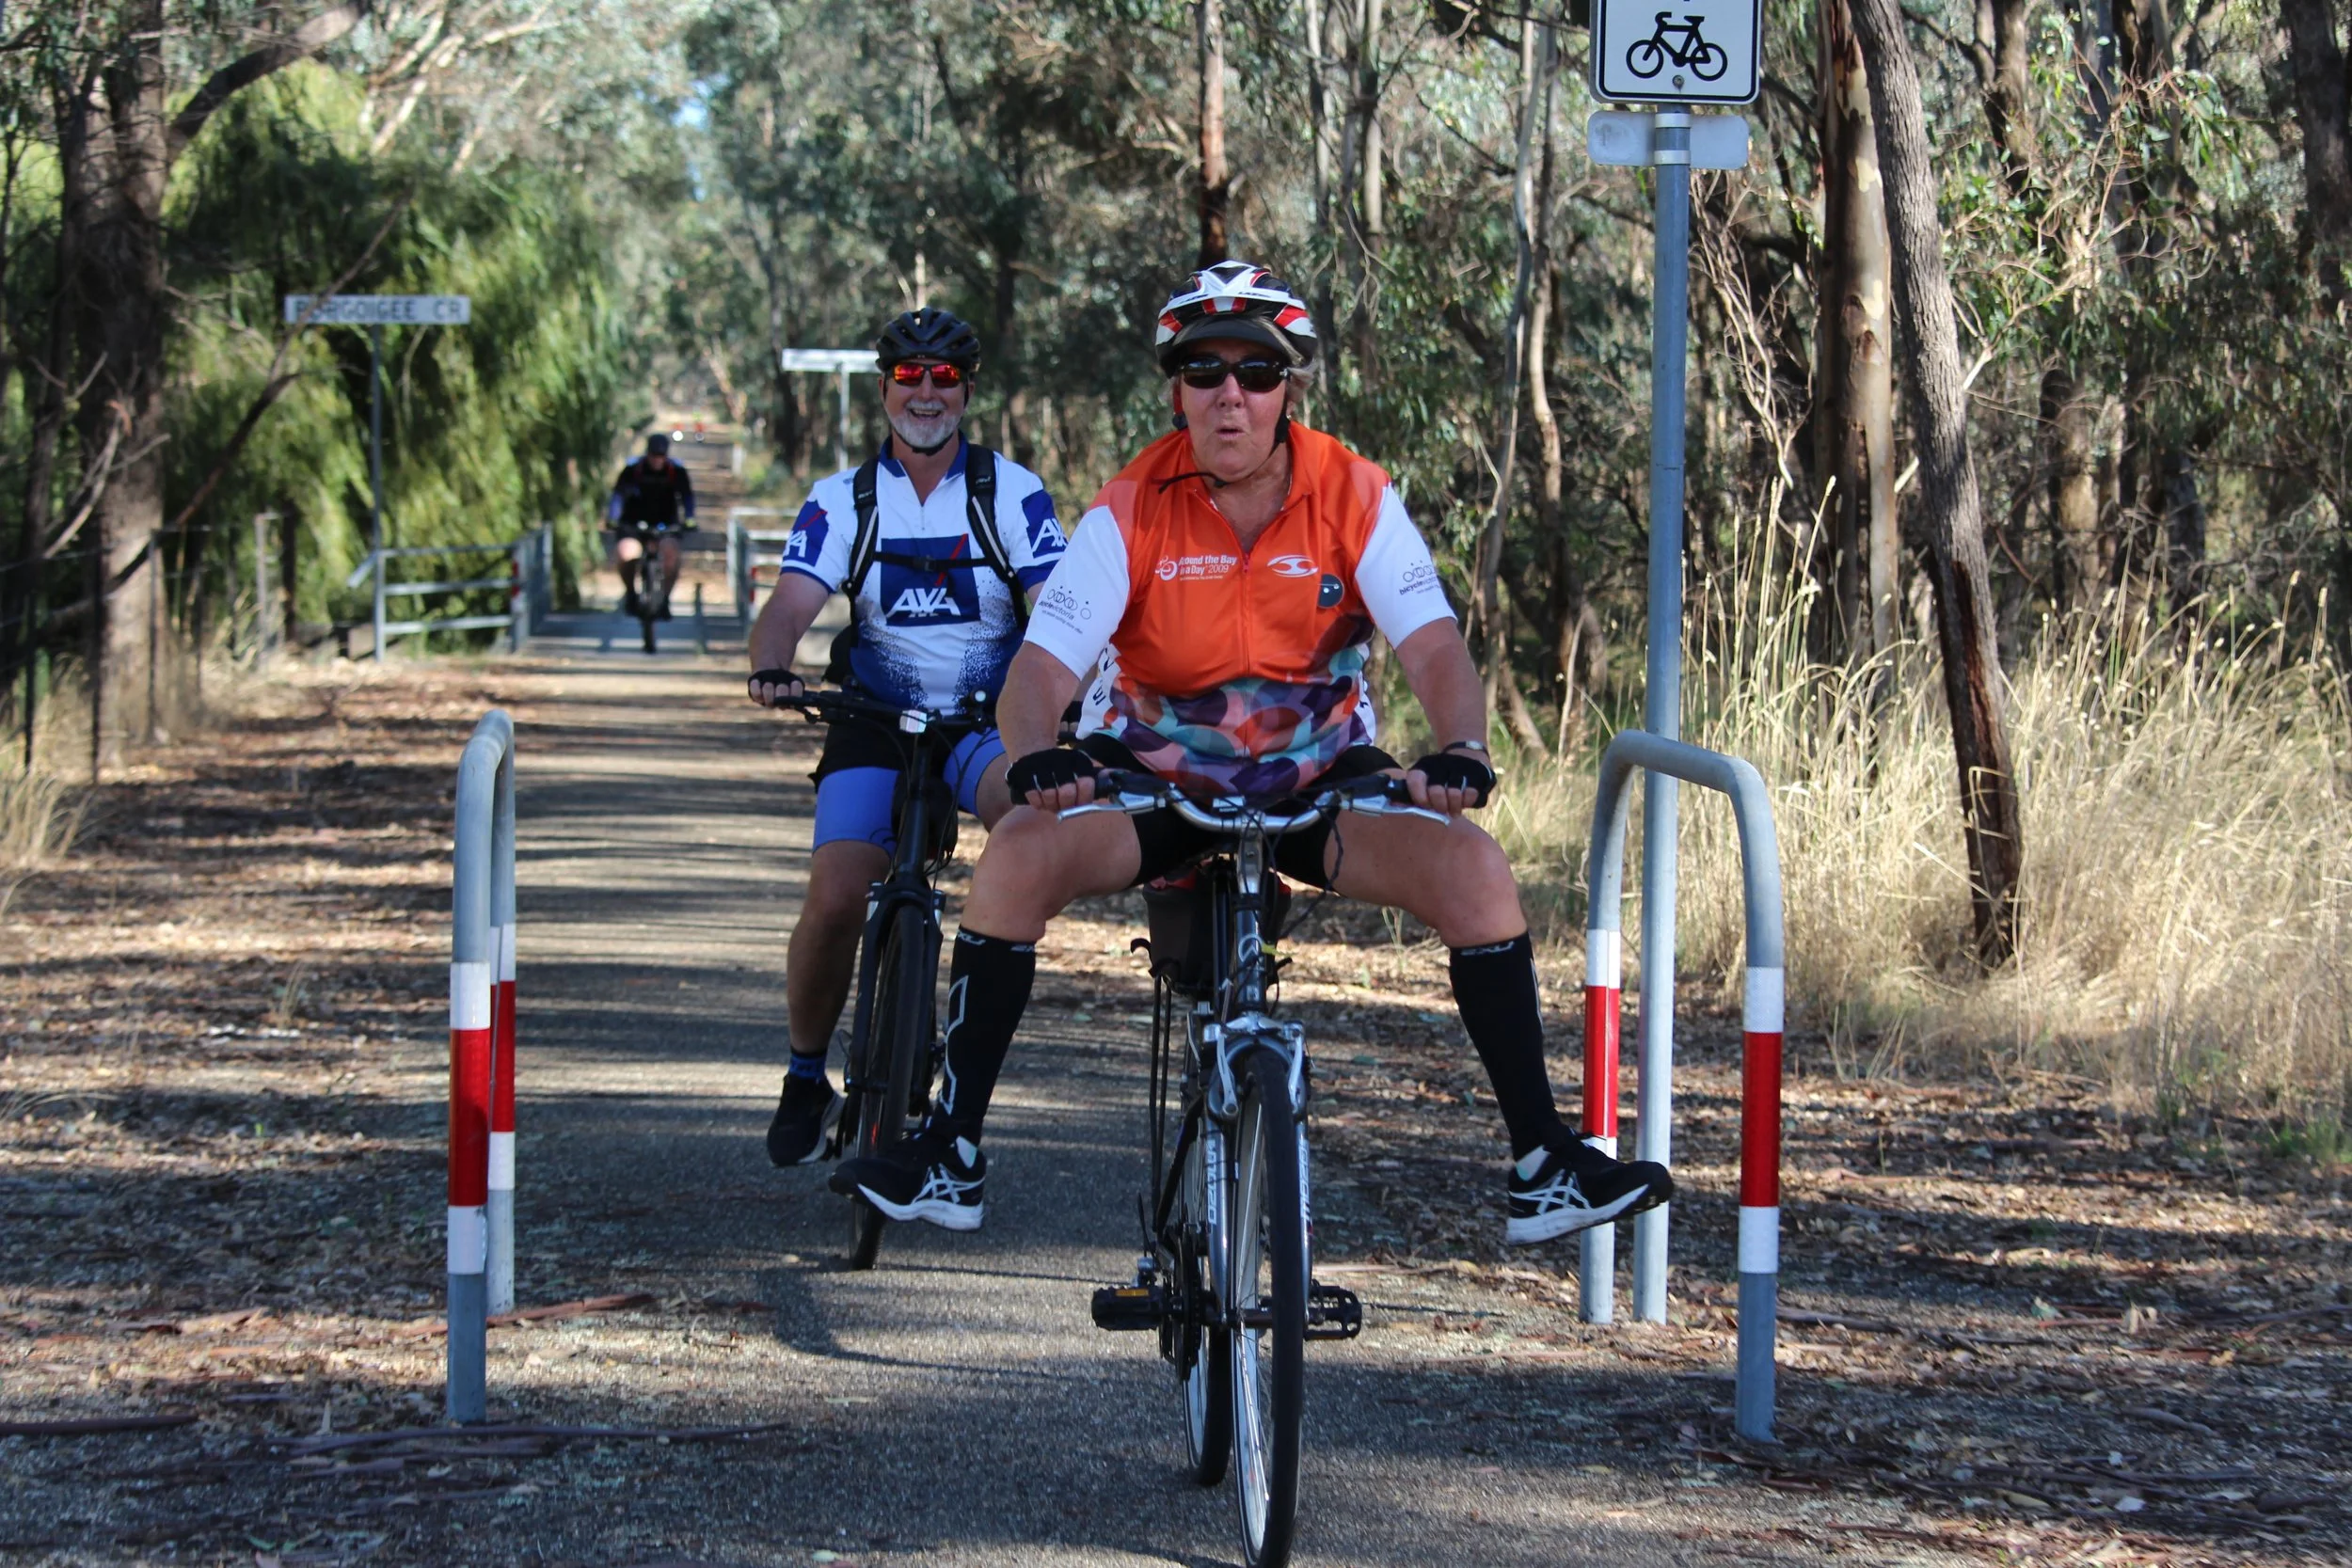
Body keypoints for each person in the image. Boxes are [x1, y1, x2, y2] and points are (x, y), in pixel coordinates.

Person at [831, 261, 1673, 1241]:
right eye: (1202, 368)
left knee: (1477, 871)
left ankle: (1542, 1164)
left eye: (1257, 371)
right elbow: (1040, 671)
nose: (1230, 392)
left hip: (1313, 775)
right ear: (1175, 387)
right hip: (1153, 774)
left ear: (1290, 387)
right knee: (1016, 851)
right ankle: (952, 1148)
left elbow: (1434, 643)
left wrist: (1461, 746)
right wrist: (1031, 757)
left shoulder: (1353, 492)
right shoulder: (1132, 504)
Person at [745, 307, 1067, 1166]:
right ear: (884, 387)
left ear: (967, 392)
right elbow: (788, 606)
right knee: (837, 893)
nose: (927, 394)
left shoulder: (1011, 493)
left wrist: (1076, 705)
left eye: (945, 379)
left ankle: (963, 1057)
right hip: (874, 722)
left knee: (1028, 828)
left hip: (980, 725)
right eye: (910, 377)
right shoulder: (844, 499)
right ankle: (805, 1073)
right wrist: (774, 666)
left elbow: (1062, 611)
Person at [609, 432, 696, 617]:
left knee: (671, 555)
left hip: (666, 525)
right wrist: (613, 517)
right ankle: (631, 594)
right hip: (633, 525)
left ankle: (665, 599)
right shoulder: (633, 470)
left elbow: (687, 496)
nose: (657, 460)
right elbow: (618, 495)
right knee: (626, 554)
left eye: (661, 456)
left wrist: (689, 518)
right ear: (647, 453)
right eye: (654, 456)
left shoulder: (676, 471)